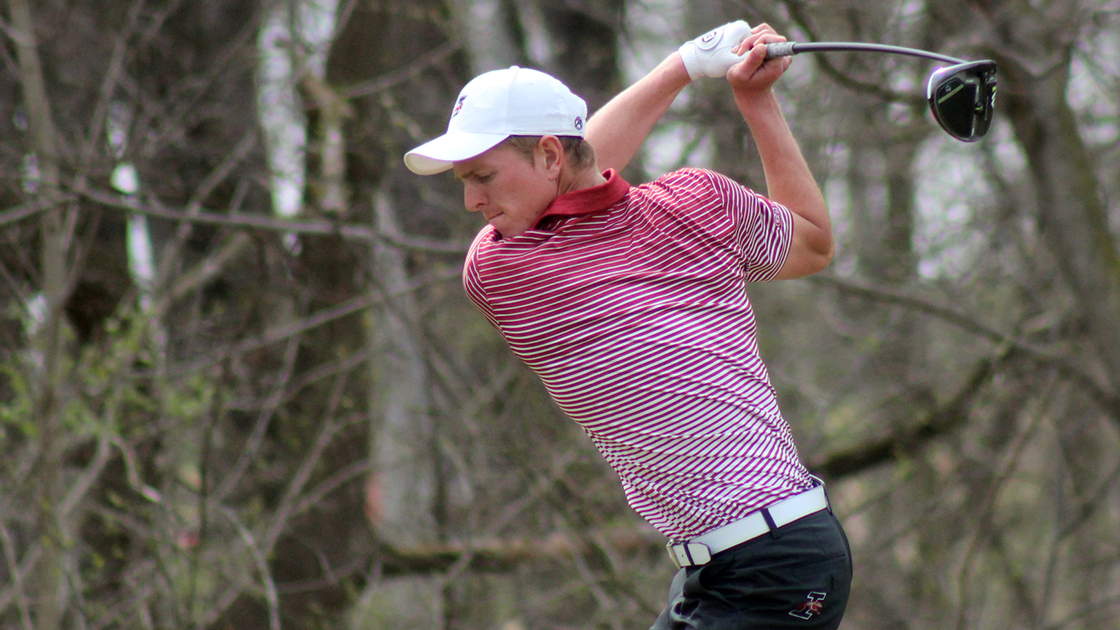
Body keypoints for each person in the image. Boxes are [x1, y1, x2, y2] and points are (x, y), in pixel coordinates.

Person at [404, 21, 852, 630]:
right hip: (713, 572)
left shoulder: (700, 202)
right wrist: (682, 68)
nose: (471, 202)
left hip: (779, 560)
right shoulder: (508, 269)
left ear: (548, 153)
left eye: (482, 176)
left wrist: (755, 99)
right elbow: (577, 175)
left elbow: (813, 244)